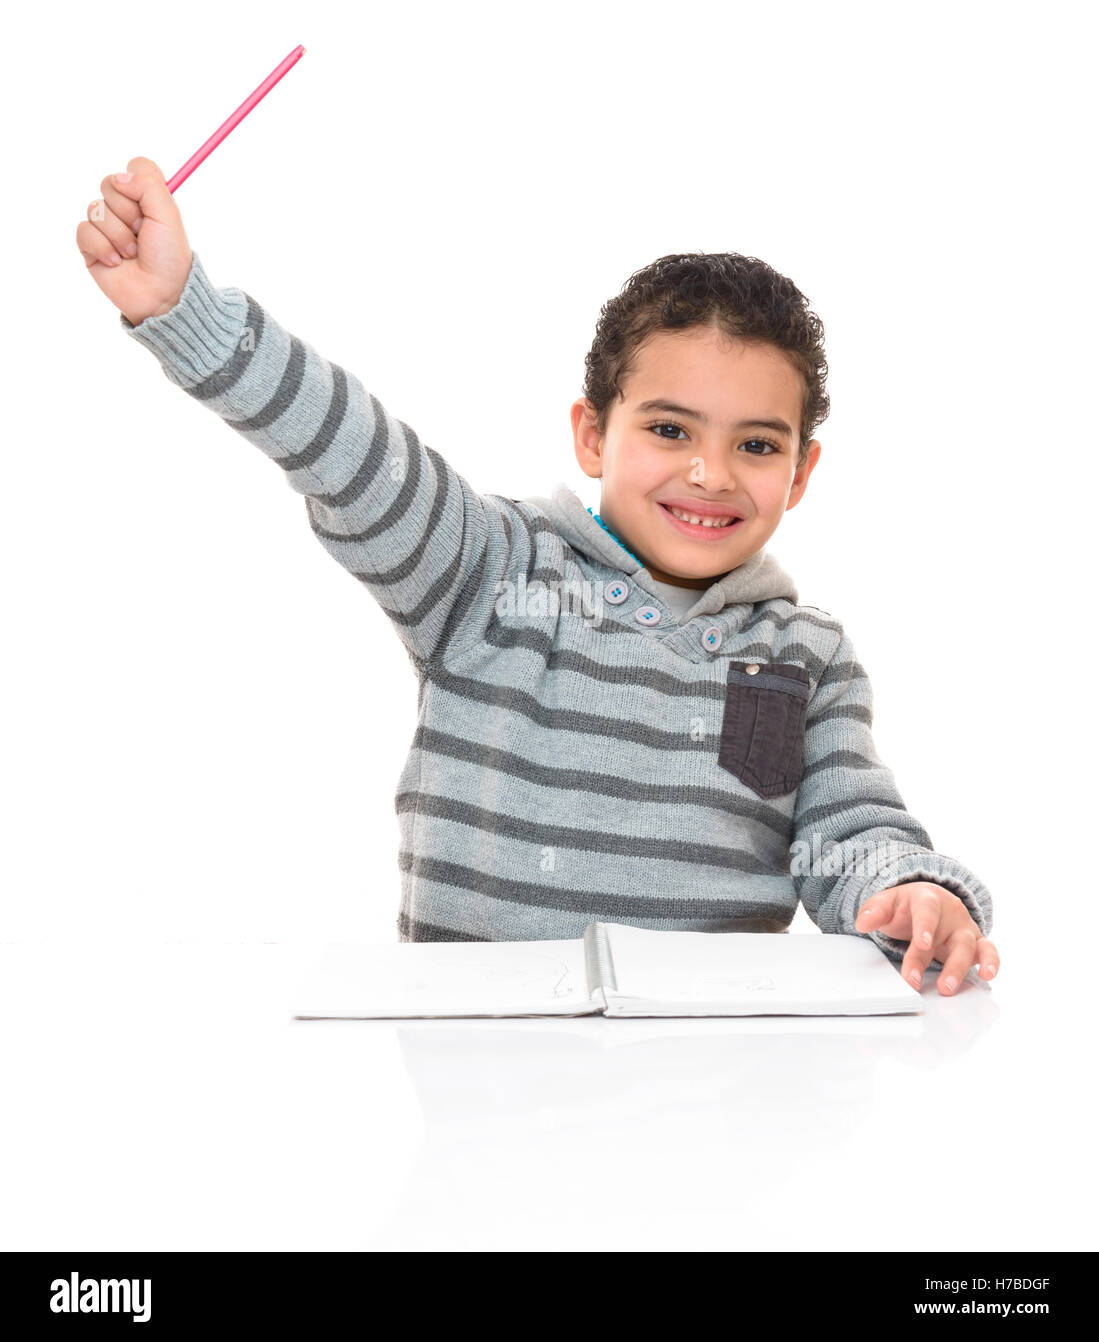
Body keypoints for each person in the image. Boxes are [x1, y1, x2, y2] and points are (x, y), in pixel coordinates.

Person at [75, 157, 999, 997]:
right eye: (669, 430)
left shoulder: (803, 658)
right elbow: (348, 448)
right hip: (470, 1071)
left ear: (798, 473)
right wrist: (183, 309)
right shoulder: (485, 570)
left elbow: (846, 836)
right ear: (593, 435)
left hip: (710, 1094)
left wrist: (908, 891)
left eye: (754, 445)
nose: (709, 475)